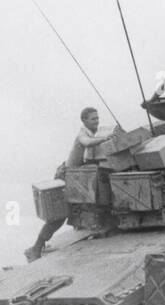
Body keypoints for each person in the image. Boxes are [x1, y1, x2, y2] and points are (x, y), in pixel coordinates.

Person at [26, 107, 105, 262]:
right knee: (59, 215)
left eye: (97, 118)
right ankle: (36, 248)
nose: (97, 121)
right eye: (93, 119)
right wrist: (106, 139)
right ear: (84, 121)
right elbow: (87, 143)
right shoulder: (83, 134)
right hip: (67, 177)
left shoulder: (94, 133)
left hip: (78, 176)